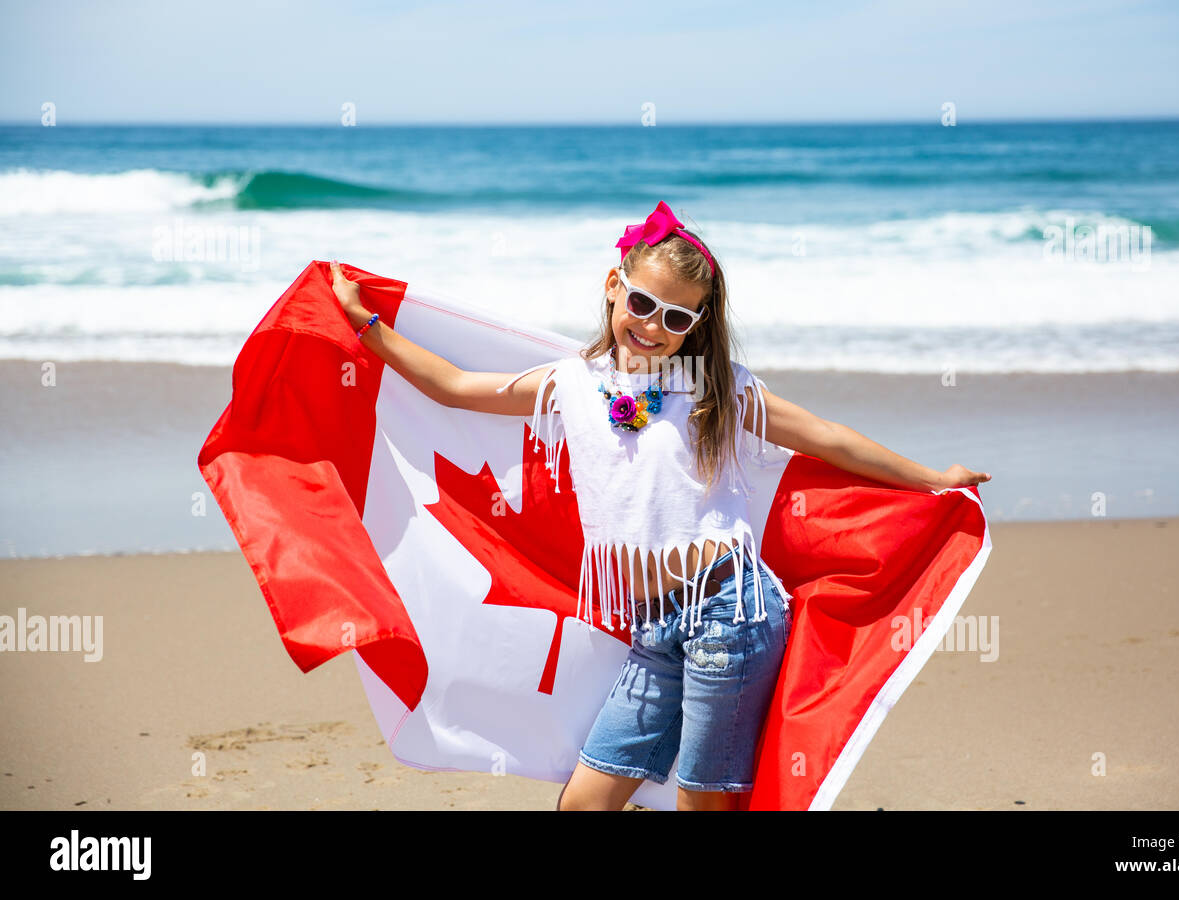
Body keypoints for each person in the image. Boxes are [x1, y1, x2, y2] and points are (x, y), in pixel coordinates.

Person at [329, 200, 990, 812]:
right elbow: (454, 387)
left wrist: (932, 478)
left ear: (696, 325)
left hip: (730, 618)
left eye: (676, 318)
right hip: (652, 629)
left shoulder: (717, 390)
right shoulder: (570, 384)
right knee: (585, 802)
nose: (652, 326)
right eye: (642, 303)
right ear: (614, 284)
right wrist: (368, 325)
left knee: (700, 805)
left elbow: (826, 438)